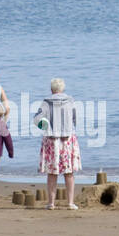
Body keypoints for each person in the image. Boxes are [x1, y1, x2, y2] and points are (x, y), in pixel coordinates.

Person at [33, 77, 80, 210]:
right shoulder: (70, 101)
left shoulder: (46, 102)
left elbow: (36, 119)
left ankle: (51, 203)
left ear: (52, 89)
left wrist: (45, 126)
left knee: (52, 173)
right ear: (62, 88)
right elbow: (75, 119)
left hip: (51, 139)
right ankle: (70, 203)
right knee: (69, 172)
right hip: (67, 139)